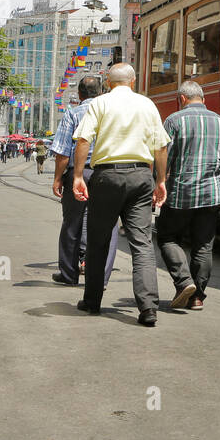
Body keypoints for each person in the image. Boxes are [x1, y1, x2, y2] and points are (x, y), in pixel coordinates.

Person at [72, 64, 170, 326]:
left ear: (108, 81)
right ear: (134, 81)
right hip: (140, 177)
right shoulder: (147, 105)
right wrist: (160, 180)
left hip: (107, 177)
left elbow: (83, 140)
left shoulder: (100, 103)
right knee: (142, 243)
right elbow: (161, 145)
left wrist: (79, 176)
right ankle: (148, 307)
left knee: (98, 241)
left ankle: (92, 302)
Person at [158, 80, 220, 312]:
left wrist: (159, 181)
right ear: (203, 99)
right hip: (210, 194)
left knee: (167, 238)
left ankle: (184, 282)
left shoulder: (173, 120)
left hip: (180, 193)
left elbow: (164, 155)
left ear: (181, 99)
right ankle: (197, 298)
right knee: (203, 245)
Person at [50, 76, 118, 288]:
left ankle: (69, 274)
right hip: (108, 173)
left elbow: (62, 152)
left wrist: (58, 178)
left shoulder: (72, 113)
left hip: (79, 173)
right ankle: (101, 277)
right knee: (109, 225)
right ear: (100, 93)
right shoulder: (110, 112)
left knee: (72, 224)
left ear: (79, 95)